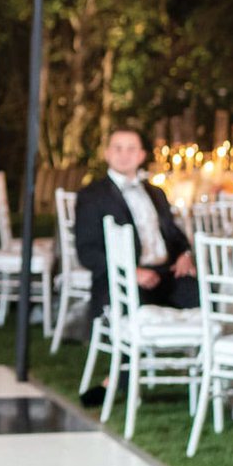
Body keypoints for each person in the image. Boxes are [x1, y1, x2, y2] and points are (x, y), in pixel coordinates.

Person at [74, 124, 199, 327]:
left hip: (165, 275)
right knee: (136, 306)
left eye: (131, 149)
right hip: (122, 279)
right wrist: (132, 272)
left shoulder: (156, 193)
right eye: (118, 148)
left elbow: (173, 233)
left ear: (141, 155)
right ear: (107, 153)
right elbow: (88, 251)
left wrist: (184, 253)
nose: (124, 154)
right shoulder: (92, 196)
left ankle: (203, 353)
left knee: (205, 294)